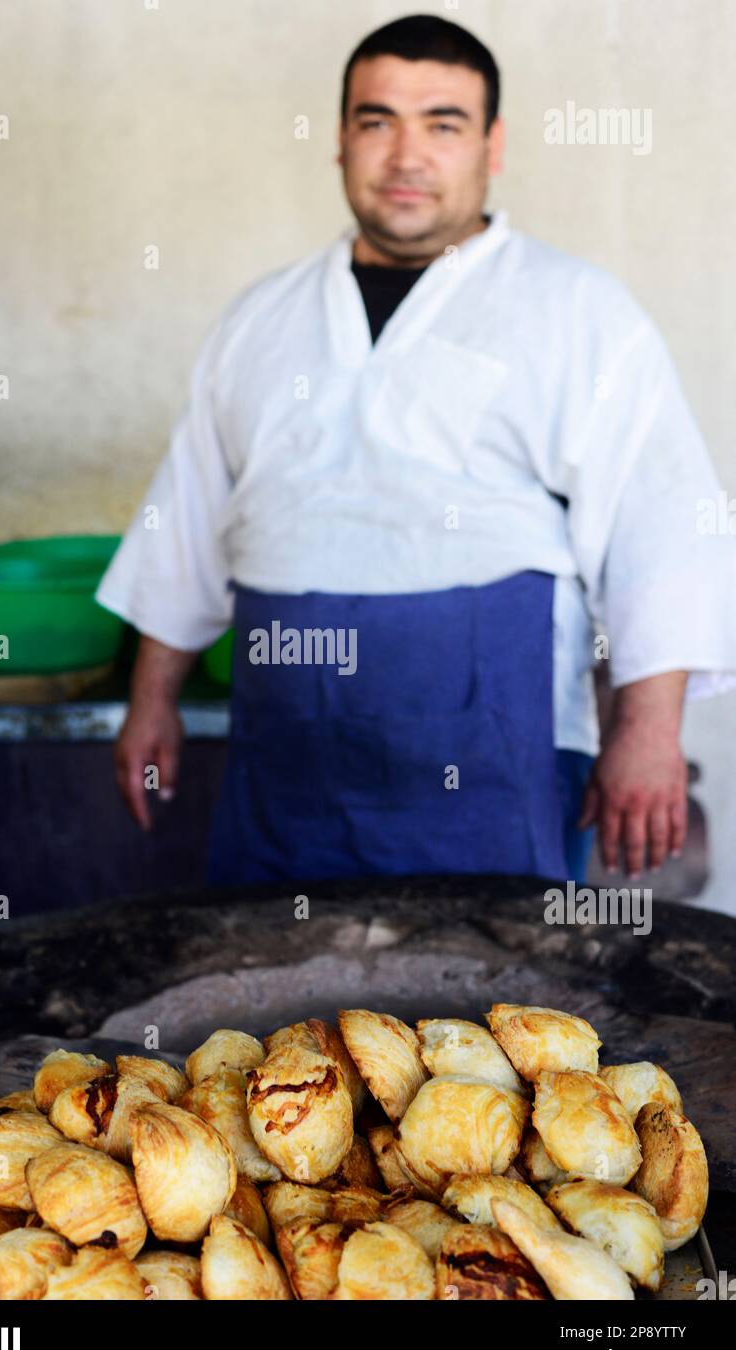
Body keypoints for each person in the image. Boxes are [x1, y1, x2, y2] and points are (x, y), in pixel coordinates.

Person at [97, 14, 736, 889]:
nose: (406, 156)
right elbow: (190, 518)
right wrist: (151, 697)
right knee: (275, 993)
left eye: (442, 123)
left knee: (484, 997)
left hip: (487, 732)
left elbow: (659, 533)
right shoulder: (261, 318)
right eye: (376, 121)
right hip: (287, 739)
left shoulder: (577, 311)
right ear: (339, 140)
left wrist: (648, 733)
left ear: (491, 144)